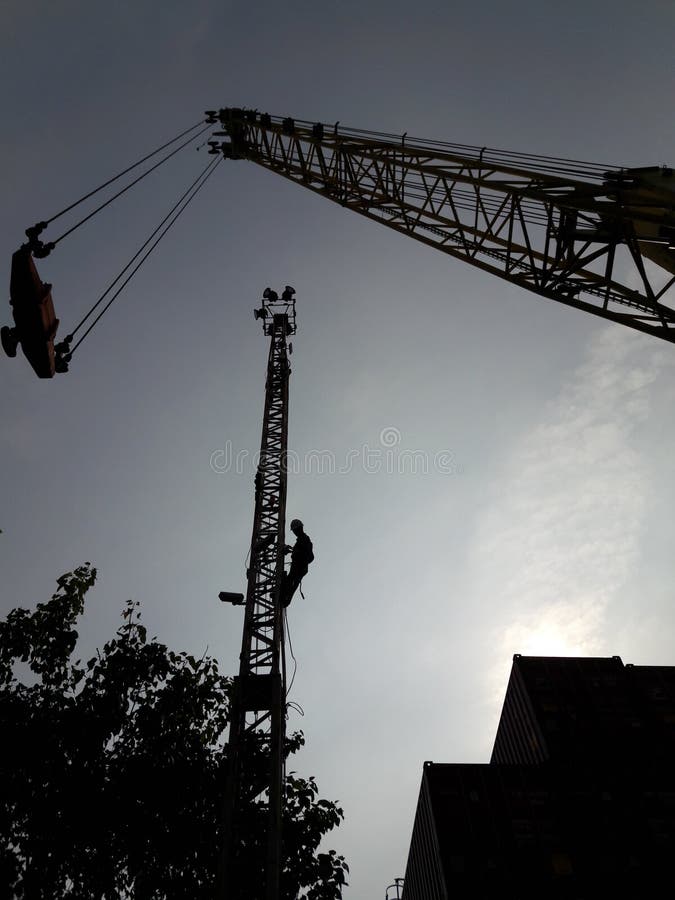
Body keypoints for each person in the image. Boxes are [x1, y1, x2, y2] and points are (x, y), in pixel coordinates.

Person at [280, 519, 314, 607]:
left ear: (299, 528)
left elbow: (310, 556)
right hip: (299, 566)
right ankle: (283, 597)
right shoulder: (301, 540)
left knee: (291, 582)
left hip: (300, 566)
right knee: (290, 581)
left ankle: (284, 599)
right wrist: (292, 550)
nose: (295, 532)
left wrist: (296, 553)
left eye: (295, 530)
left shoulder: (304, 539)